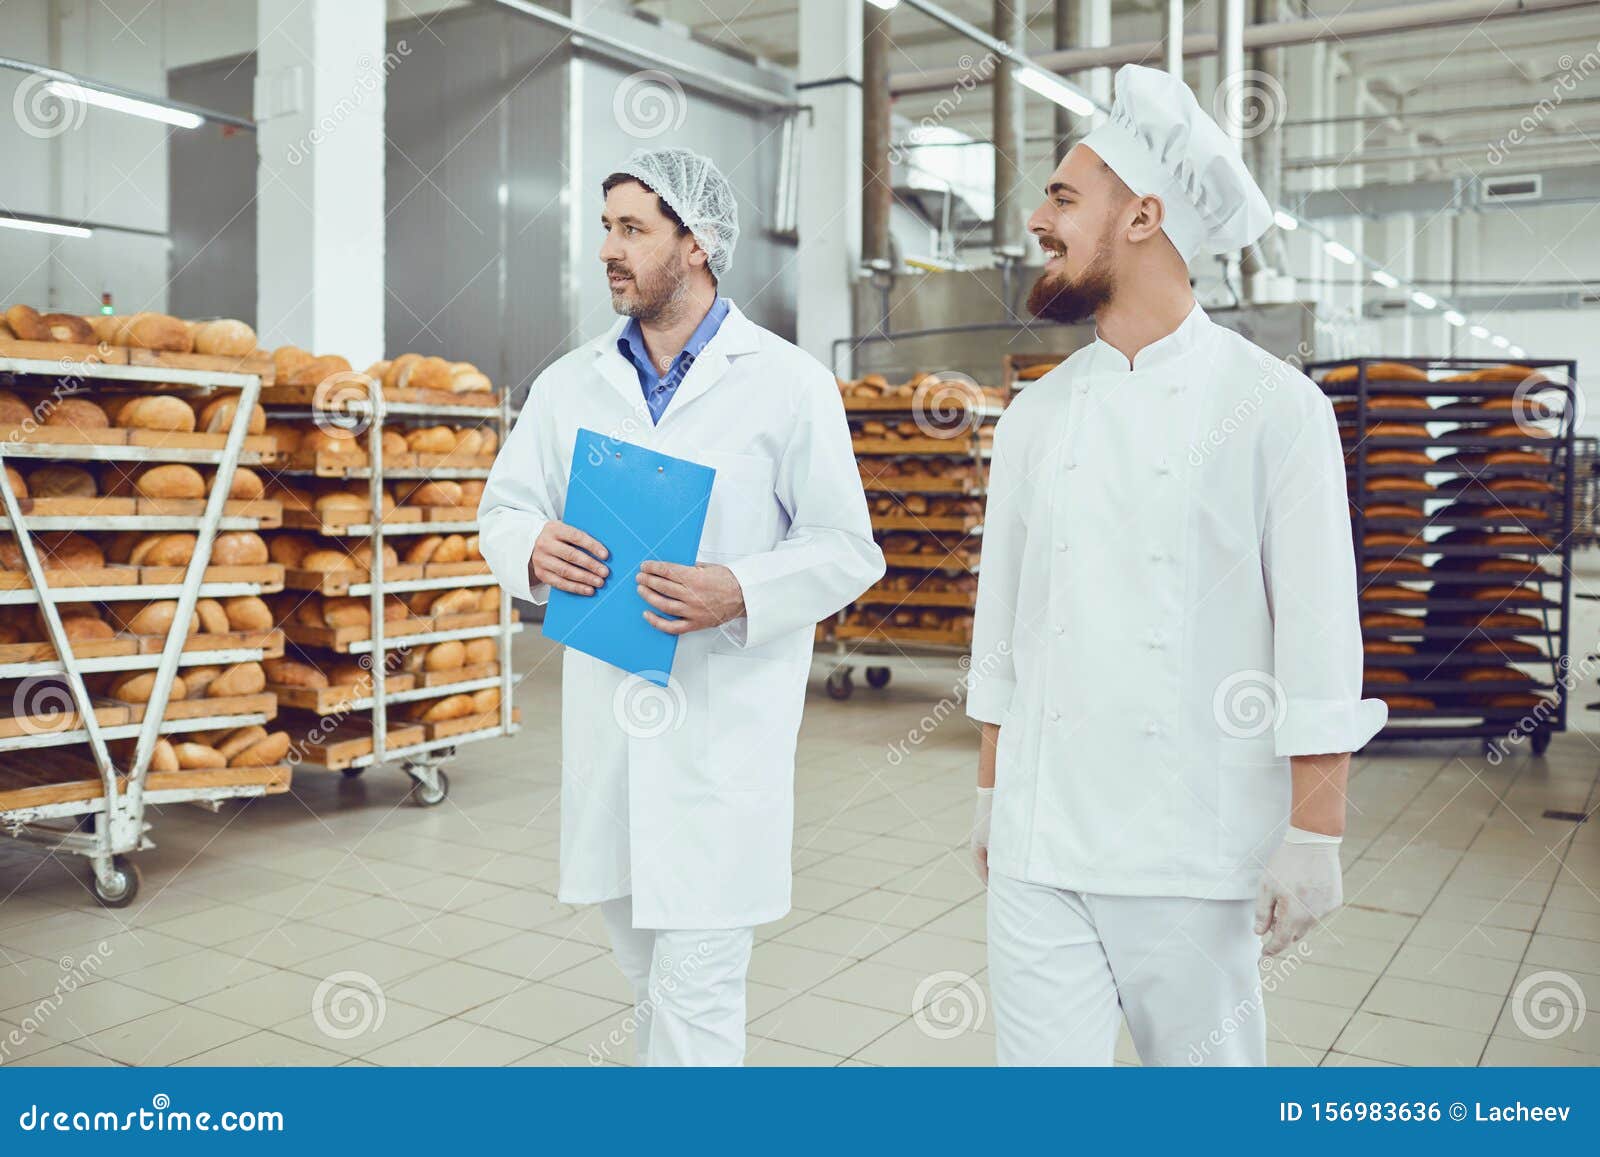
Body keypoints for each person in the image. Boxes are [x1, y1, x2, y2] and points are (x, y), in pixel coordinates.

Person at [965, 65, 1387, 1067]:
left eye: (1063, 198)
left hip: (1192, 851)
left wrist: (1314, 830)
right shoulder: (1037, 413)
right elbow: (1004, 629)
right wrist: (992, 793)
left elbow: (1319, 637)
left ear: (1144, 216)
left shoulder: (1275, 408)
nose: (1036, 217)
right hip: (1038, 841)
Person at [478, 147, 883, 1067]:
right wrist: (530, 547)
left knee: (696, 1000)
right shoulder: (570, 382)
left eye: (633, 229)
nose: (609, 251)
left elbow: (847, 546)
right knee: (647, 983)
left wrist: (741, 589)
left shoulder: (788, 383)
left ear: (697, 244)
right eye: (606, 229)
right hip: (612, 743)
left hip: (720, 741)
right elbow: (503, 509)